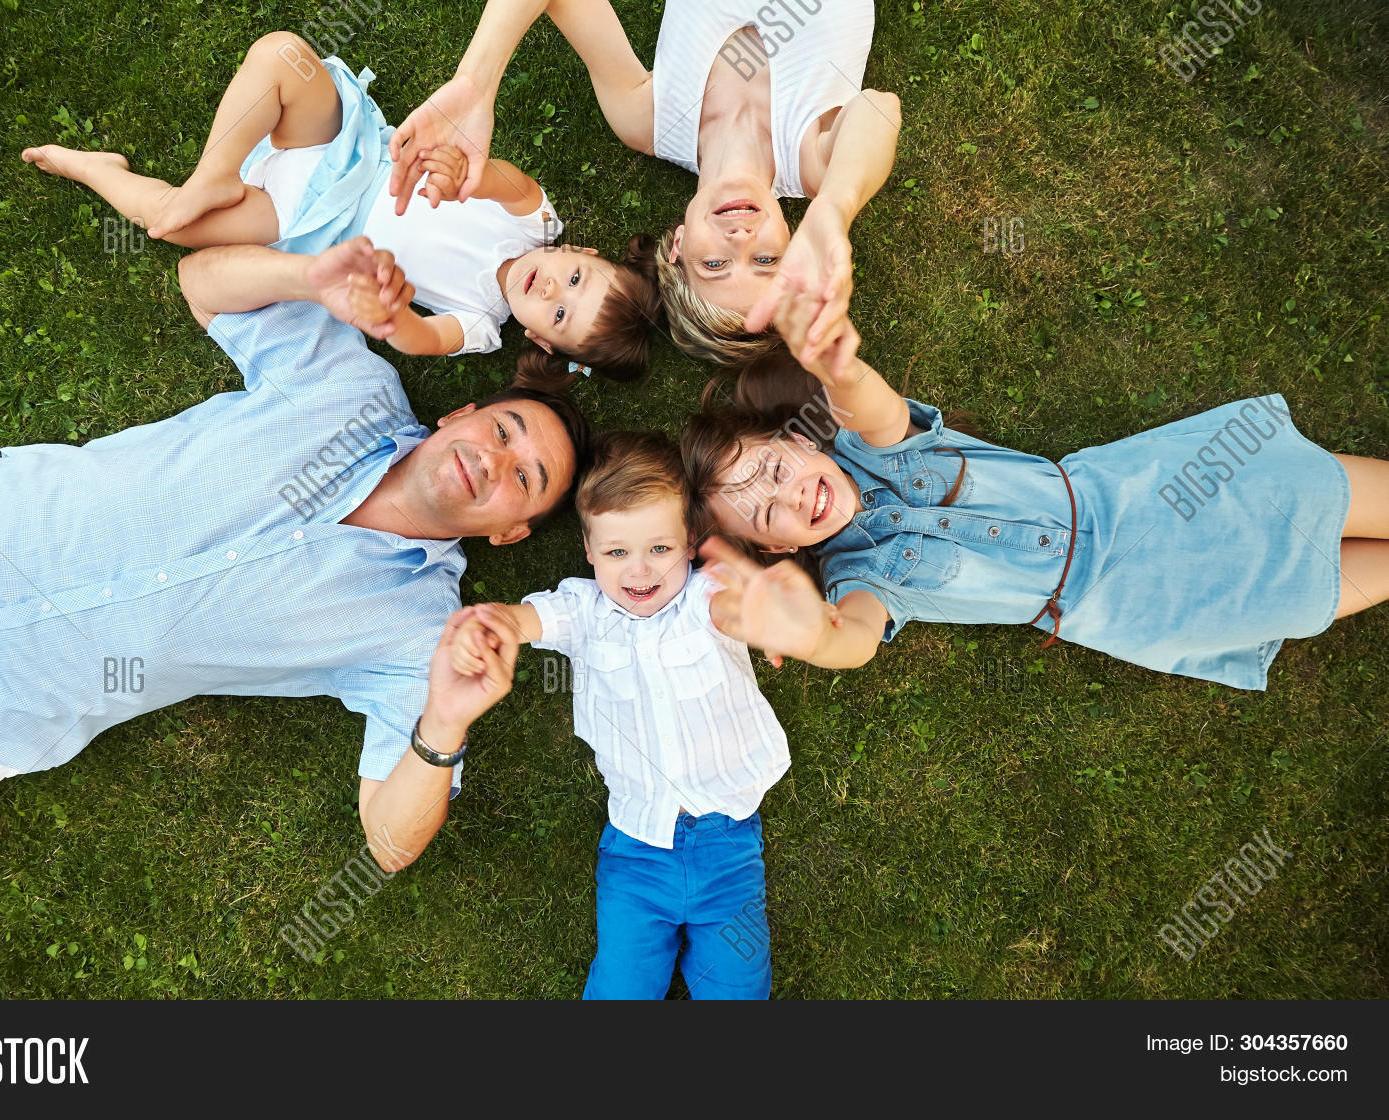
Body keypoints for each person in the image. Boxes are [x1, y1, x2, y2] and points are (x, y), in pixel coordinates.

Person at [0, 236, 588, 861]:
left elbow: (389, 842)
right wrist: (309, 276)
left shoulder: (419, 639)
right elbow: (203, 283)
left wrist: (445, 723)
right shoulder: (351, 389)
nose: (495, 462)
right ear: (461, 415)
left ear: (510, 532)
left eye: (525, 478)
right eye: (504, 431)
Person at [684, 290, 1389, 689]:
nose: (791, 496)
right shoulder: (860, 580)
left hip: (1141, 490)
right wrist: (815, 636)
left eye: (775, 472)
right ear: (773, 546)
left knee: (1305, 487)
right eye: (769, 515)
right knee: (1305, 595)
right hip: (1129, 602)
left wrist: (837, 365)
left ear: (802, 440)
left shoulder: (869, 449)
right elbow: (858, 638)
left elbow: (870, 403)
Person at [21, 31, 658, 386]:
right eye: (574, 277)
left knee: (169, 224)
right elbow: (505, 182)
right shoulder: (535, 224)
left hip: (304, 224)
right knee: (283, 55)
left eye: (558, 312)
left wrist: (392, 318)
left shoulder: (483, 325)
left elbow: (424, 339)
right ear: (582, 251)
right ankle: (214, 173)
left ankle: (92, 167)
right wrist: (466, 173)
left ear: (540, 338)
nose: (551, 286)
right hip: (348, 153)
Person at [449, 431, 789, 998]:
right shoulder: (582, 609)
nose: (639, 572)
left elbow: (739, 605)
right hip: (636, 853)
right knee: (620, 987)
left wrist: (767, 616)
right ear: (588, 549)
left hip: (729, 845)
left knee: (740, 987)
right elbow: (527, 619)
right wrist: (493, 626)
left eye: (659, 548)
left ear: (690, 542)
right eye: (616, 552)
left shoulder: (706, 595)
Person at [388, 0, 901, 365]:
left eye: (716, 264)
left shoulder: (645, 121)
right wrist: (834, 210)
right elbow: (879, 109)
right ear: (792, 240)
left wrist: (475, 85)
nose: (742, 241)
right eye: (766, 261)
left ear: (677, 244)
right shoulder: (814, 163)